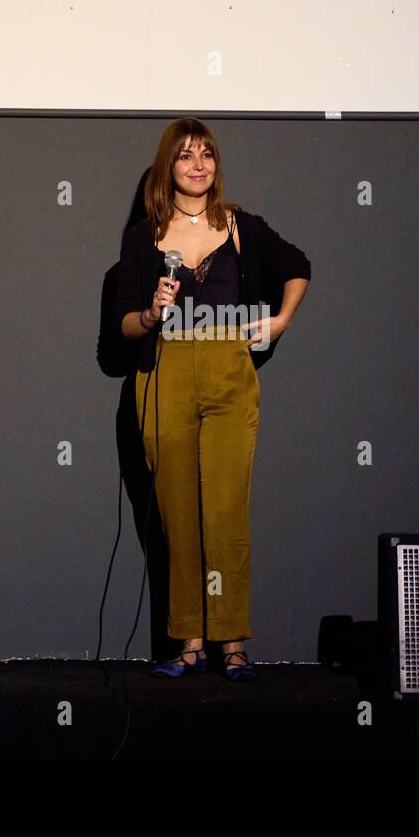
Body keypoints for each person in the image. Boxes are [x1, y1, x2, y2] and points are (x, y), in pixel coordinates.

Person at [115, 117, 310, 680]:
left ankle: (233, 645)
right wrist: (152, 312)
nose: (198, 165)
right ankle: (189, 643)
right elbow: (124, 326)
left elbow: (297, 267)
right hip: (165, 375)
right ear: (167, 167)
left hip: (229, 373)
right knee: (176, 513)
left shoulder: (242, 227)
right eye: (185, 156)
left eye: (206, 155)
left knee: (225, 511)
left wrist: (279, 322)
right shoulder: (143, 237)